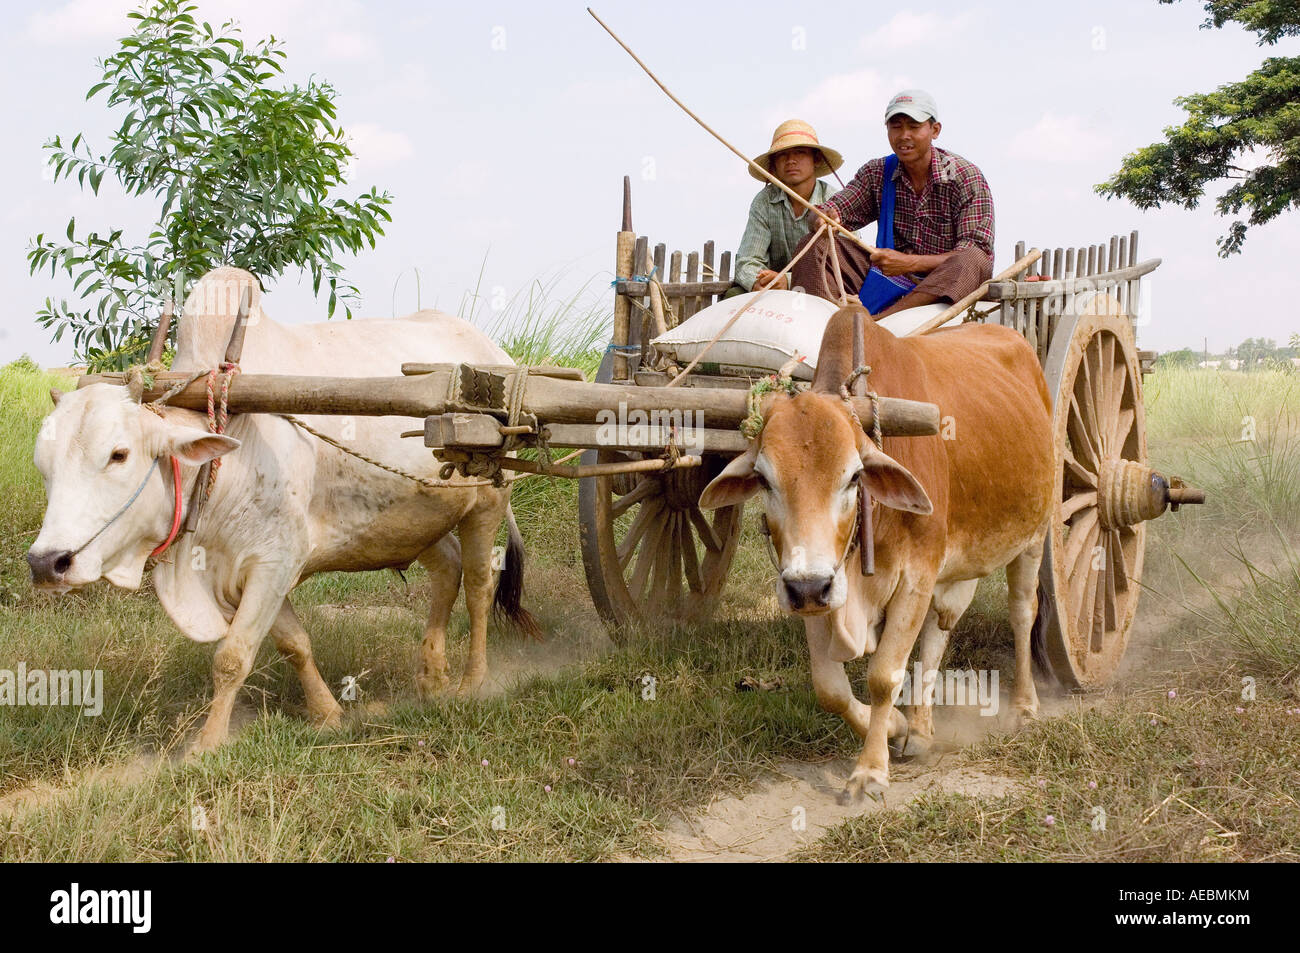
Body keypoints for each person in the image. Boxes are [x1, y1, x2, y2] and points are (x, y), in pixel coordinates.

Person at [789, 90, 994, 318]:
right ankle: (821, 327)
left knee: (972, 259)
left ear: (934, 130)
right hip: (887, 279)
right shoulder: (877, 172)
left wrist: (909, 263)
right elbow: (837, 207)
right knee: (816, 245)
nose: (904, 135)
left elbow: (977, 251)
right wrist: (822, 217)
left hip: (943, 282)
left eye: (914, 127)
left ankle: (880, 321)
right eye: (896, 126)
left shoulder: (964, 177)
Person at [725, 119, 844, 299]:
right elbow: (747, 261)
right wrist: (759, 281)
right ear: (774, 164)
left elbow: (843, 265)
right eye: (783, 155)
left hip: (821, 287)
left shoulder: (834, 201)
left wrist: (788, 281)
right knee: (734, 295)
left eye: (800, 153)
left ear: (816, 159)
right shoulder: (764, 201)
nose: (791, 161)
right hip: (772, 290)